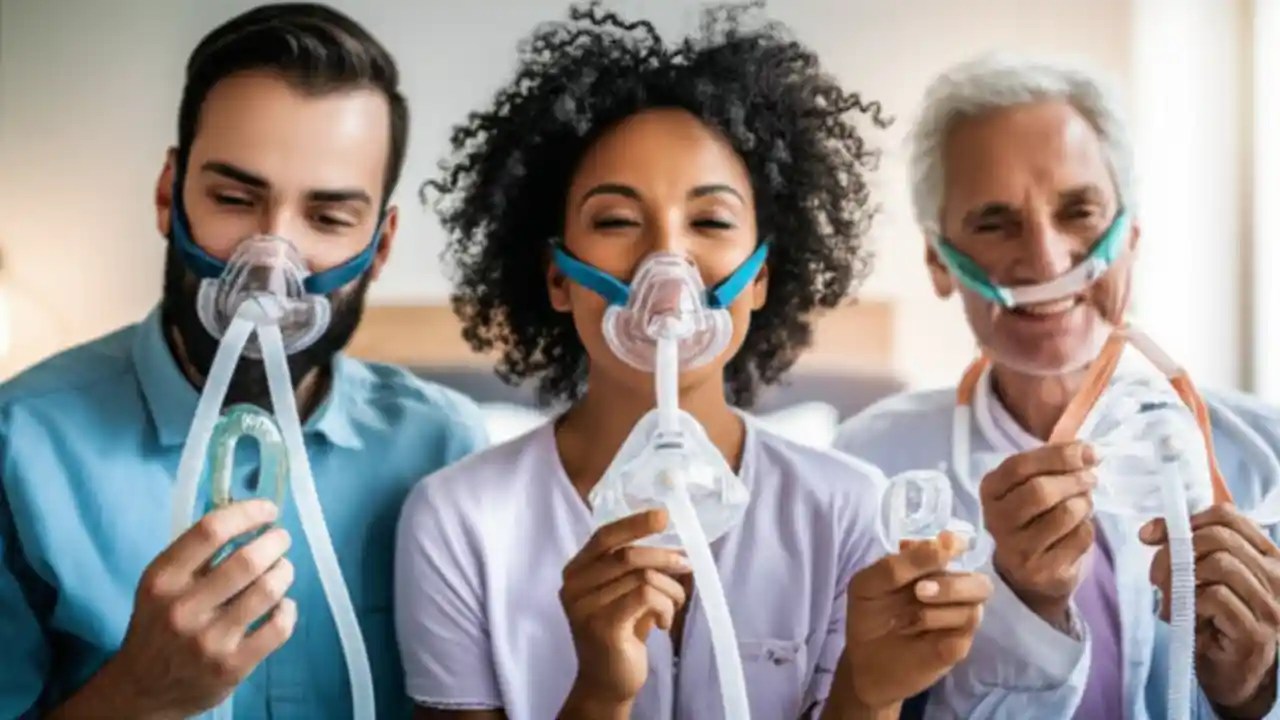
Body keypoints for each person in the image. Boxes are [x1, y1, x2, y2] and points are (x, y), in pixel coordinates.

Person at [394, 3, 992, 719]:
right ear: (558, 277)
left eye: (710, 220)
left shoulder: (845, 509)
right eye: (617, 220)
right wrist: (600, 692)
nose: (666, 259)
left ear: (760, 278)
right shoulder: (460, 521)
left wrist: (869, 689)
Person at [0, 4, 487, 718]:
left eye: (328, 217)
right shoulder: (21, 447)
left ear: (379, 246)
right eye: (234, 199)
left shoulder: (447, 455)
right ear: (169, 196)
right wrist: (137, 694)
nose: (269, 263)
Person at [835, 52, 1280, 719]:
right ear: (938, 261)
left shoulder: (1265, 457)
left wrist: (1252, 694)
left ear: (1130, 238)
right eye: (995, 222)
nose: (1046, 260)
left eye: (1078, 211)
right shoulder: (866, 466)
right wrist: (1024, 609)